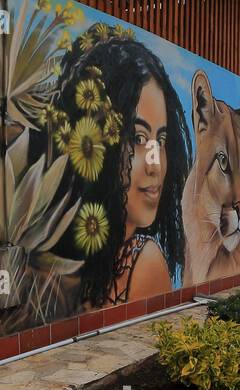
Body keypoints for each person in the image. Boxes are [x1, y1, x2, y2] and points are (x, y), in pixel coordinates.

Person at [50, 25, 190, 309]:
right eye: (138, 138)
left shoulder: (142, 263)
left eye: (160, 140)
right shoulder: (129, 262)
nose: (156, 166)